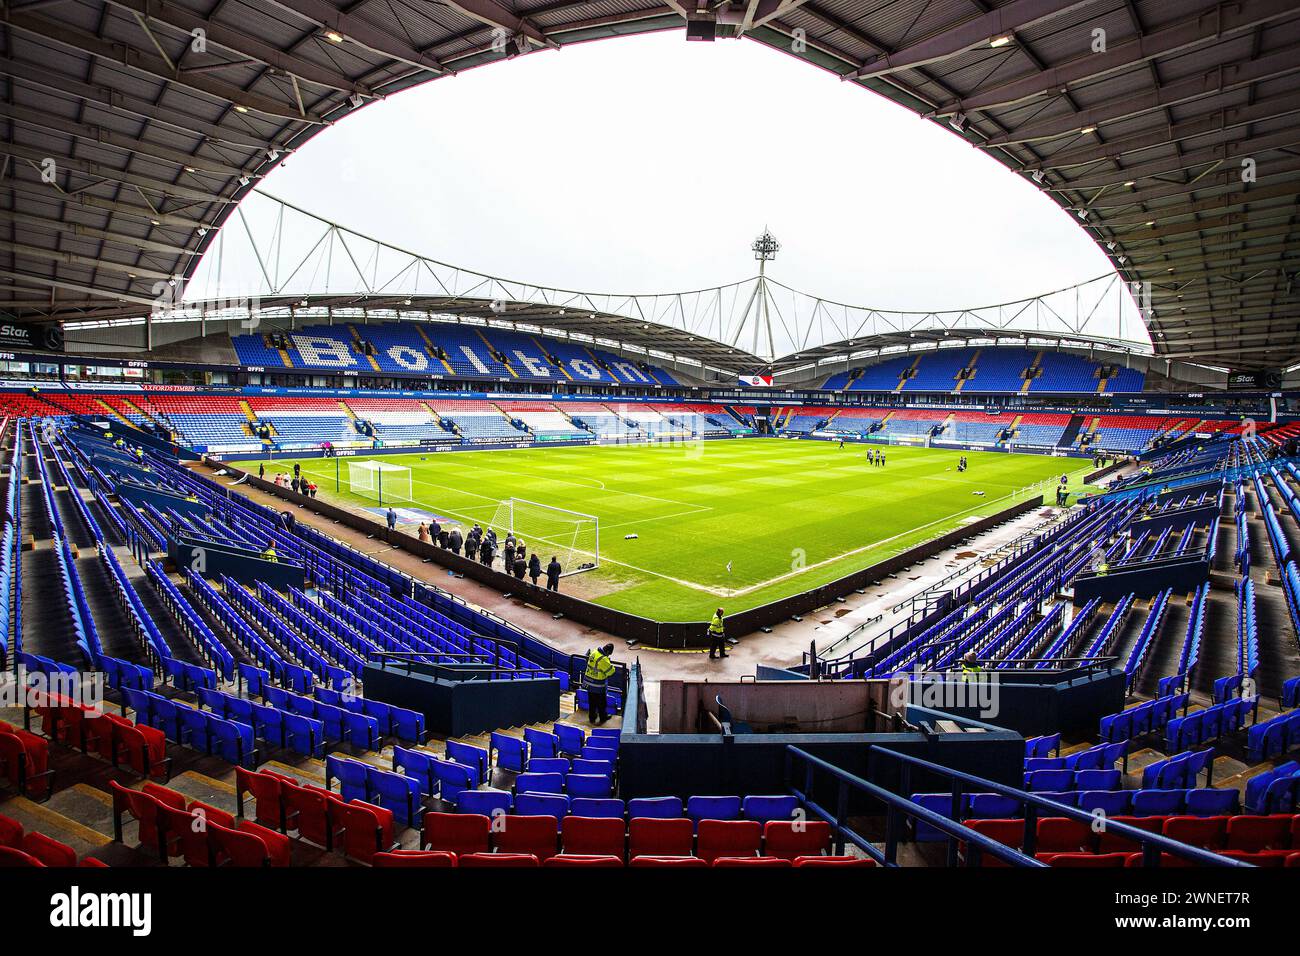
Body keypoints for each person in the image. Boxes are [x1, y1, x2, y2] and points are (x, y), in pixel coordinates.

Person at [582, 643, 617, 725]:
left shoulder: (594, 652)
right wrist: (610, 663)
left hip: (589, 683)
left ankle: (592, 718)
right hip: (598, 685)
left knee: (592, 702)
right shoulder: (603, 659)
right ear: (608, 651)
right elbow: (611, 671)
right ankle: (603, 718)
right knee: (602, 703)